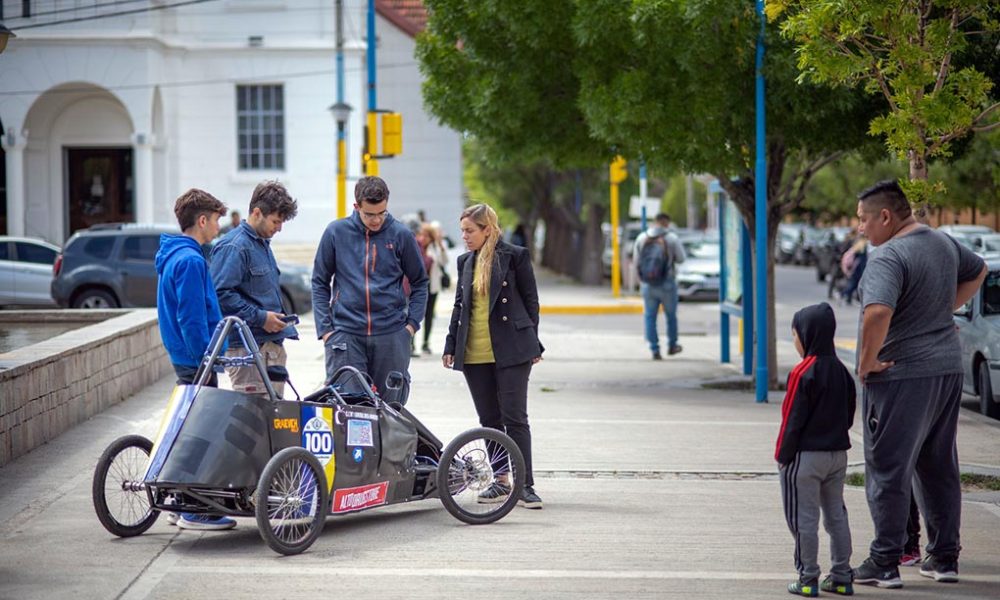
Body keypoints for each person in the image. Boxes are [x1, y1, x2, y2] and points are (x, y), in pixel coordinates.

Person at [853, 180, 986, 588]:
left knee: (888, 467)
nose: (860, 229)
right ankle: (944, 558)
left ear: (886, 217)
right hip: (946, 369)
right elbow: (978, 269)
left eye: (863, 220)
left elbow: (876, 313)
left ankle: (885, 561)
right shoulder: (941, 242)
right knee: (939, 464)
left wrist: (866, 362)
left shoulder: (888, 256)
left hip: (901, 374)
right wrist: (941, 310)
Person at [442, 203, 544, 509]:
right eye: (462, 231)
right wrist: (450, 345)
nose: (465, 237)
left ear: (488, 229)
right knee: (489, 419)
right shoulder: (465, 262)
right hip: (474, 352)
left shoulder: (515, 256)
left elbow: (531, 301)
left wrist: (531, 343)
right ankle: (501, 481)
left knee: (515, 418)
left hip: (511, 349)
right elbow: (460, 307)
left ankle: (524, 484)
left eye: (470, 231)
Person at [154, 188, 236, 531]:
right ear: (202, 220)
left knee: (187, 428)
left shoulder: (176, 255)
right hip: (195, 358)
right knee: (200, 432)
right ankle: (195, 509)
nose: (218, 226)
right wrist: (209, 356)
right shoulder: (189, 261)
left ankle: (176, 501)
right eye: (216, 220)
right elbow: (190, 317)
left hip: (185, 355)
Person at [312, 176, 428, 400]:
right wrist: (326, 331)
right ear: (356, 207)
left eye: (381, 213)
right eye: (369, 214)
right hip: (346, 335)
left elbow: (420, 283)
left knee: (392, 411)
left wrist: (411, 327)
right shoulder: (336, 232)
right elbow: (319, 281)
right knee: (348, 409)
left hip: (391, 335)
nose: (376, 220)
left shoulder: (401, 235)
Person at [775, 303, 856, 597]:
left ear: (806, 335)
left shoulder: (802, 372)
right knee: (836, 515)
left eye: (794, 334)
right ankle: (842, 576)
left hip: (805, 459)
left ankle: (808, 579)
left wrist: (783, 457)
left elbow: (791, 420)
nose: (795, 340)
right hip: (838, 456)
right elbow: (849, 414)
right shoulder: (841, 371)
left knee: (803, 519)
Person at [210, 180, 299, 397]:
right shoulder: (234, 246)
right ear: (257, 213)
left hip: (268, 348)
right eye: (276, 221)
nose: (279, 228)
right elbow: (220, 294)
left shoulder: (260, 243)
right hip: (248, 351)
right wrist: (261, 318)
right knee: (255, 423)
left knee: (272, 423)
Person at [632, 213, 686, 359]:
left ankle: (654, 349)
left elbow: (636, 263)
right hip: (667, 282)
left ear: (654, 222)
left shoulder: (642, 238)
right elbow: (681, 259)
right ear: (667, 223)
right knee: (671, 316)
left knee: (650, 317)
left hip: (648, 284)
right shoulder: (672, 238)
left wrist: (638, 284)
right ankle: (672, 345)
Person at [417, 222, 449, 355]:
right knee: (416, 314)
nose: (423, 238)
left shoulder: (435, 248)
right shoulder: (415, 246)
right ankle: (411, 344)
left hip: (432, 286)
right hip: (418, 286)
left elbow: (444, 262)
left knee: (429, 315)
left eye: (426, 236)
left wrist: (441, 247)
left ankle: (425, 343)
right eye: (422, 235)